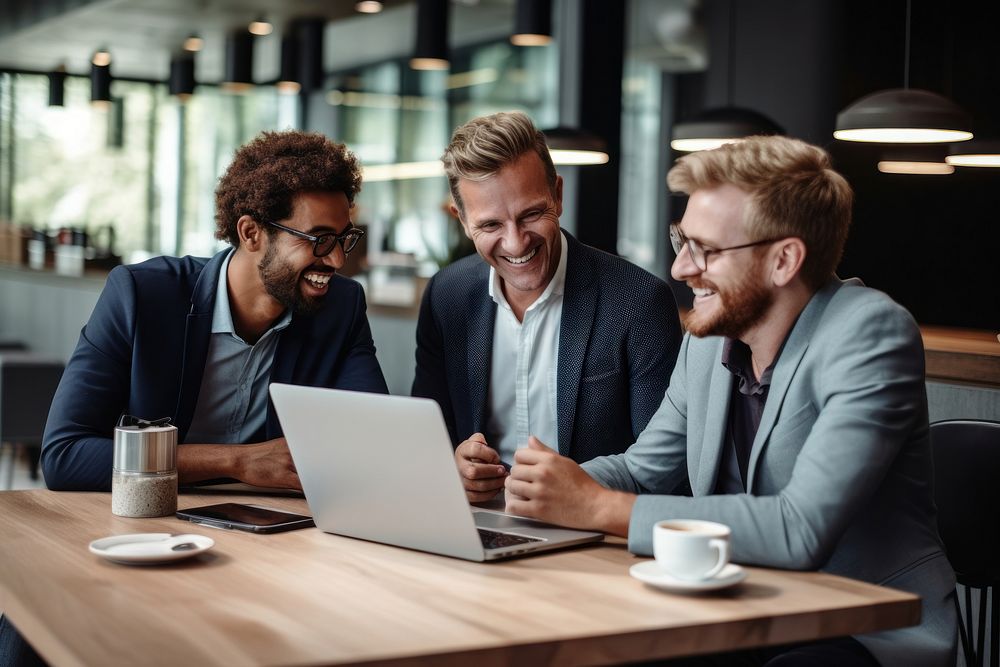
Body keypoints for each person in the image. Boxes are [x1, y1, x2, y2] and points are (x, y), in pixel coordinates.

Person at [504, 136, 956, 666]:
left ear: (784, 259)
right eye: (682, 241)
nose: (681, 269)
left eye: (707, 250)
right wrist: (535, 490)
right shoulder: (708, 341)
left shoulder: (870, 333)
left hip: (864, 628)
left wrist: (598, 507)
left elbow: (798, 529)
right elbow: (643, 470)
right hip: (739, 610)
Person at [40, 130, 388, 492]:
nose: (337, 259)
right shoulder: (142, 295)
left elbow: (374, 443)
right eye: (319, 240)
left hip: (272, 524)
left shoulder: (341, 306)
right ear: (251, 233)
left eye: (344, 238)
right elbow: (65, 455)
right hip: (151, 520)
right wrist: (236, 462)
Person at [412, 111, 682, 502]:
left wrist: (575, 489)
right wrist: (451, 463)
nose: (516, 243)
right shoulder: (446, 295)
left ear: (557, 194)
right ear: (463, 221)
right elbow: (427, 433)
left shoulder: (639, 301)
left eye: (532, 214)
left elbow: (665, 469)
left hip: (592, 532)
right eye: (490, 226)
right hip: (477, 522)